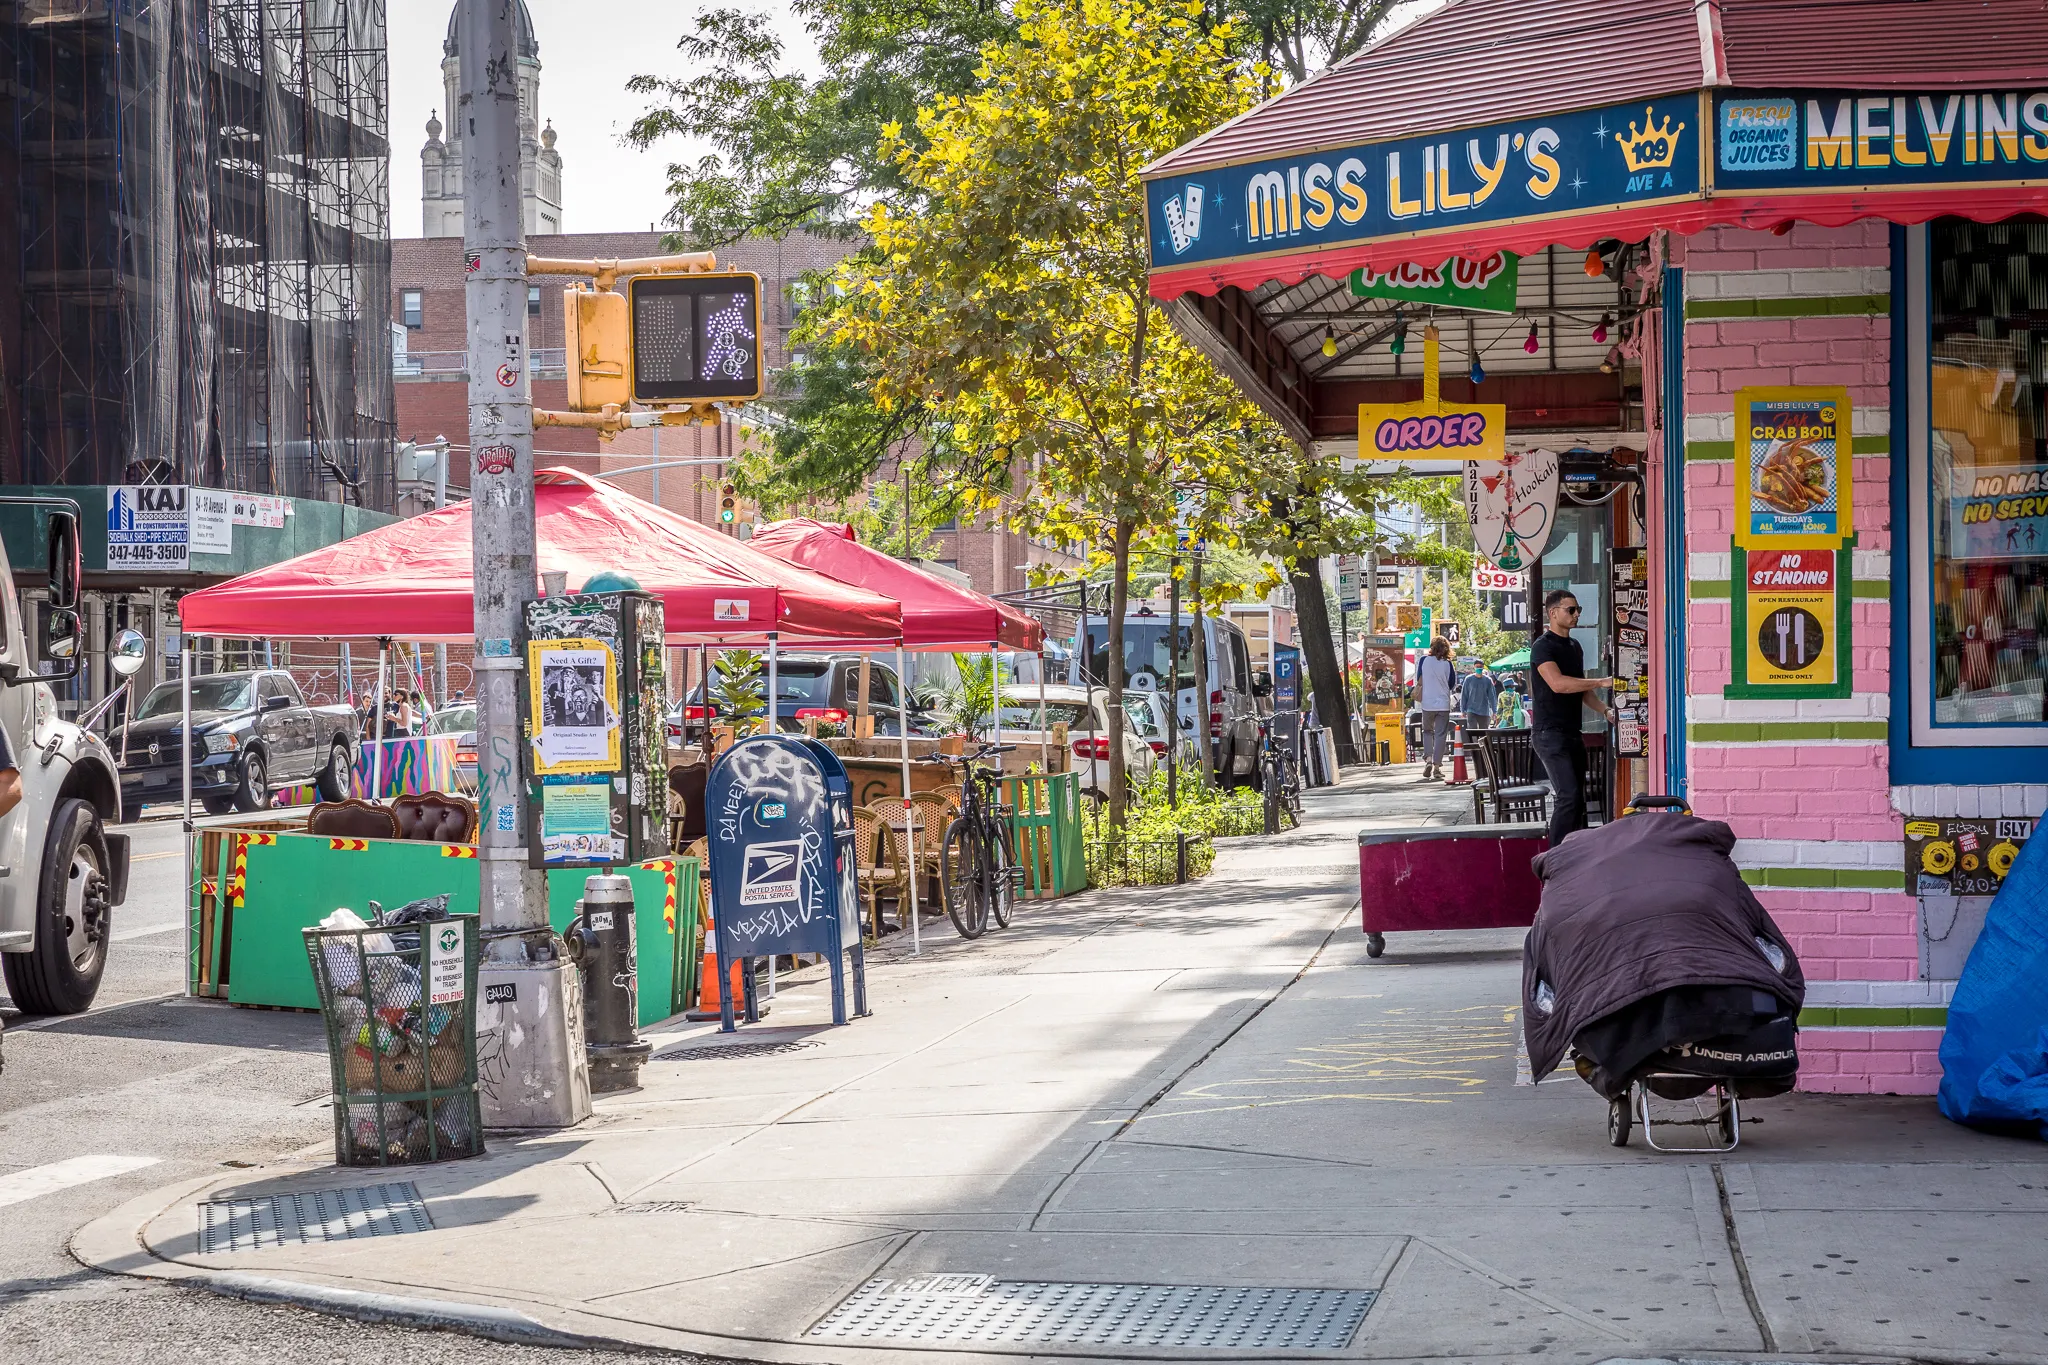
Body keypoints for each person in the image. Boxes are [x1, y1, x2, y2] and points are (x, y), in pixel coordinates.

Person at [1530, 588, 1613, 846]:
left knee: (1579, 801)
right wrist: (1602, 681)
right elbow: (1558, 684)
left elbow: (1582, 691)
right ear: (1553, 613)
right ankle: (1553, 859)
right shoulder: (1542, 647)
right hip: (1549, 734)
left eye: (1579, 609)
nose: (1576, 614)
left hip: (1572, 733)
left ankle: (1576, 855)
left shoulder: (1575, 647)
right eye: (1571, 610)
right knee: (1568, 796)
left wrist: (1605, 711)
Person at [1415, 638, 1457, 780]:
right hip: (1443, 704)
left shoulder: (1423, 661)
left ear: (1432, 647)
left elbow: (1418, 679)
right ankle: (1437, 767)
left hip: (1427, 703)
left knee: (1427, 732)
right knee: (1440, 734)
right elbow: (1452, 684)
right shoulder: (1448, 664)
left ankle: (1427, 760)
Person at [1457, 663, 1499, 743]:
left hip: (1484, 711)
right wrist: (1463, 710)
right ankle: (1475, 752)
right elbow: (1464, 695)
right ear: (1474, 667)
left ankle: (1483, 753)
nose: (1479, 668)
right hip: (1471, 710)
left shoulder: (1487, 680)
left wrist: (1494, 711)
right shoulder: (1468, 679)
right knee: (1473, 732)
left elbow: (1492, 697)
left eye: (1480, 667)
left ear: (1483, 667)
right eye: (1477, 667)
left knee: (1484, 734)